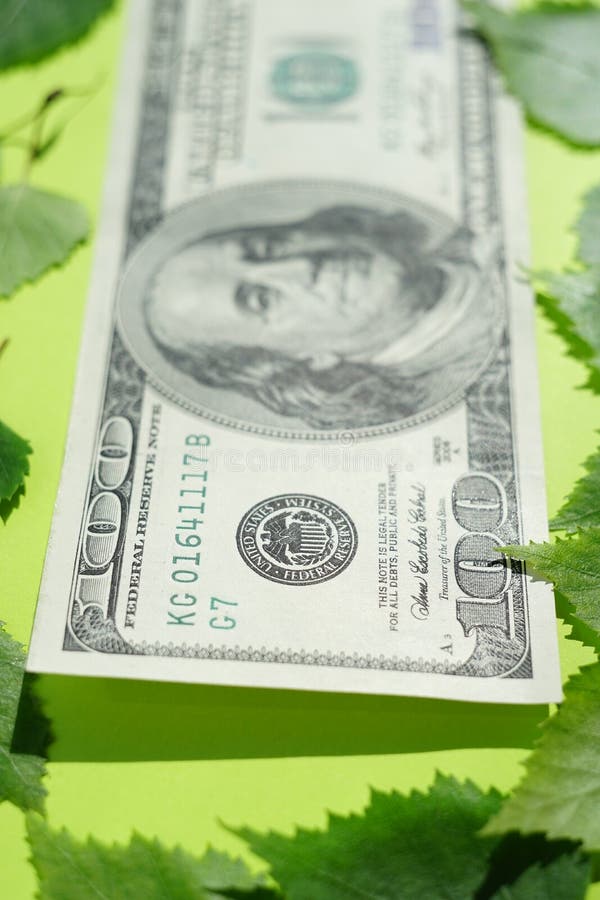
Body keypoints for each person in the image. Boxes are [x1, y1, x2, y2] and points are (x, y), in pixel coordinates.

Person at [145, 203, 495, 431]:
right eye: (261, 300)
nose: (301, 266)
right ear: (296, 361)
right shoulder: (473, 395)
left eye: (265, 248)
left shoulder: (482, 222)